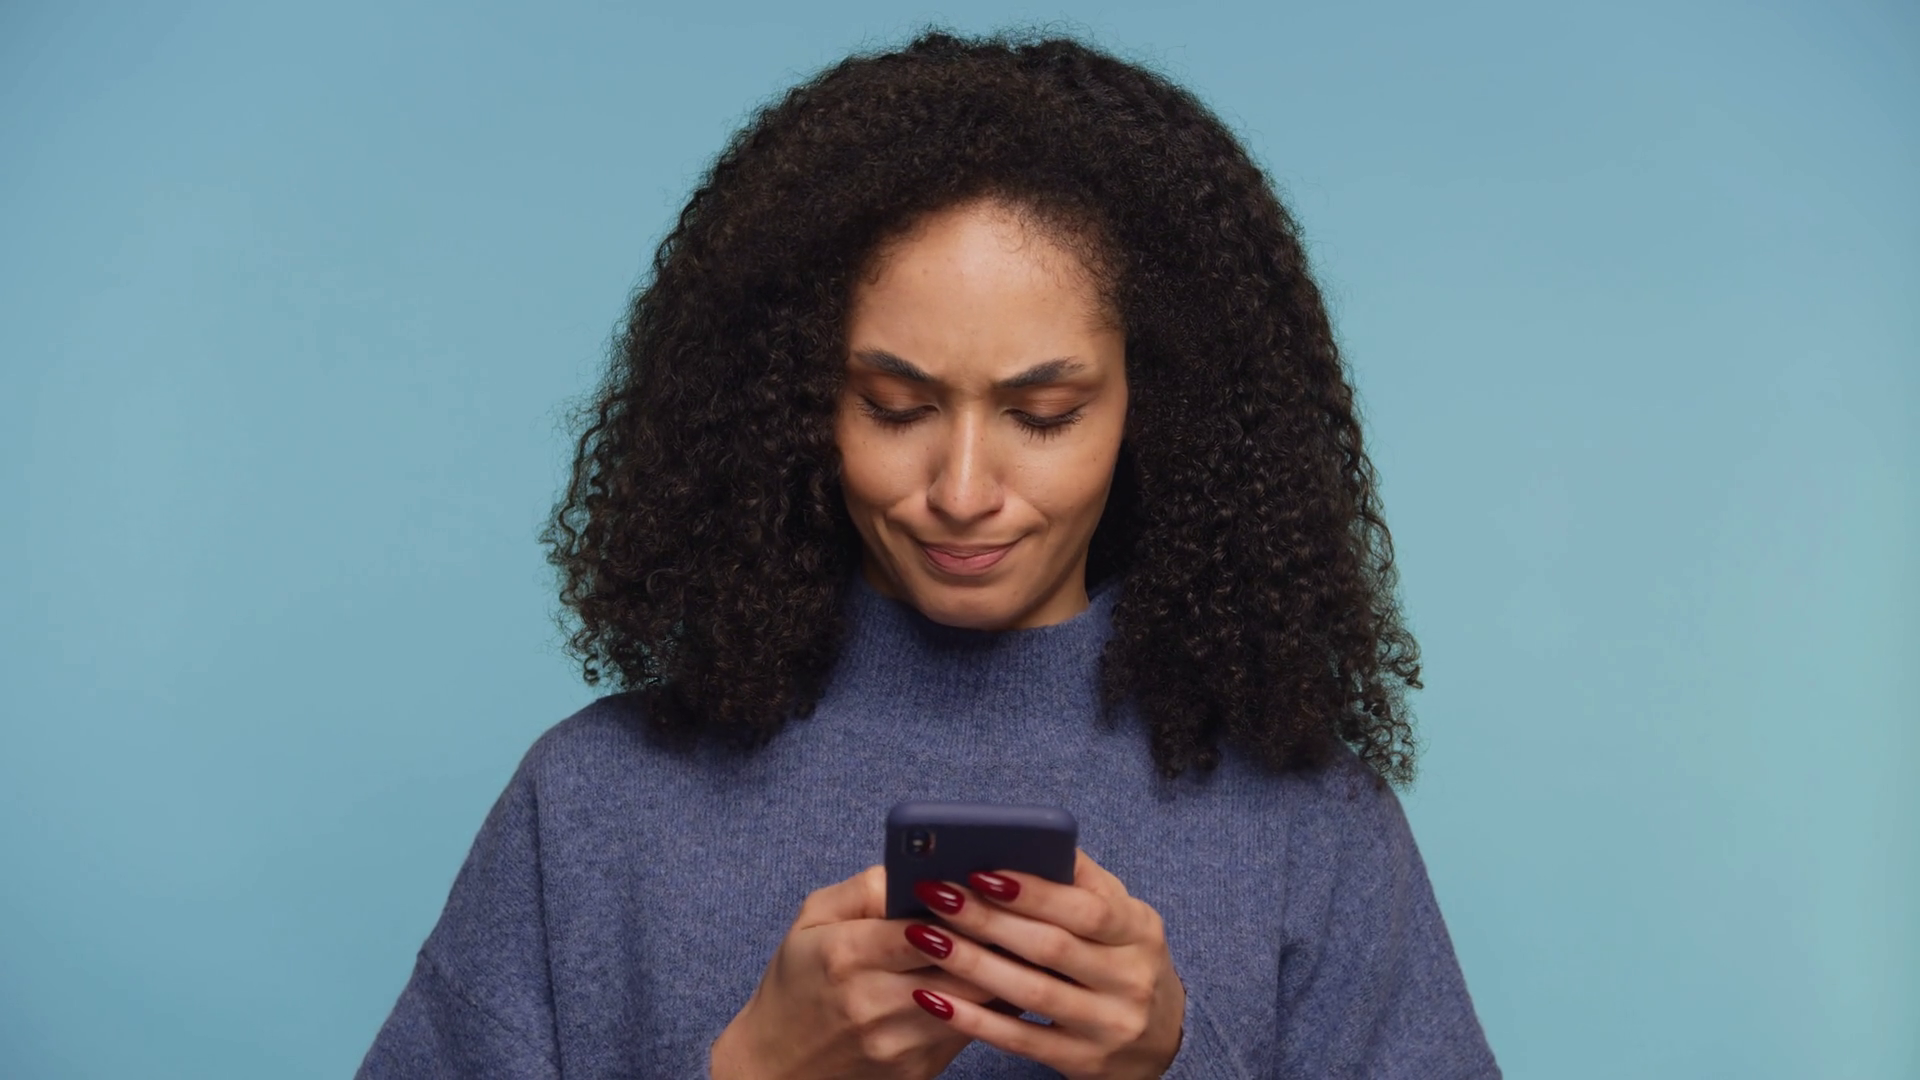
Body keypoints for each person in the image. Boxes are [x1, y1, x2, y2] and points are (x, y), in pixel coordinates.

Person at [358, 30, 1501, 1080]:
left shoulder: (1311, 827)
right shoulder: (593, 806)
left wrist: (1178, 1064)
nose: (962, 493)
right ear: (795, 405)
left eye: (1043, 415)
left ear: (1157, 412)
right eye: (896, 406)